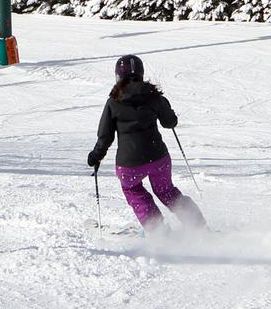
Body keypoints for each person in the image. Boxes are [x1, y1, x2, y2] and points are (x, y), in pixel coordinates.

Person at [86, 55, 205, 234]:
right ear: (141, 74)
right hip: (158, 158)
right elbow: (169, 122)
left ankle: (158, 230)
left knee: (133, 190)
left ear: (118, 76)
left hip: (129, 165)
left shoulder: (113, 103)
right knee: (166, 191)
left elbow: (105, 137)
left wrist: (95, 156)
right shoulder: (153, 97)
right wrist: (163, 105)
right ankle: (197, 225)